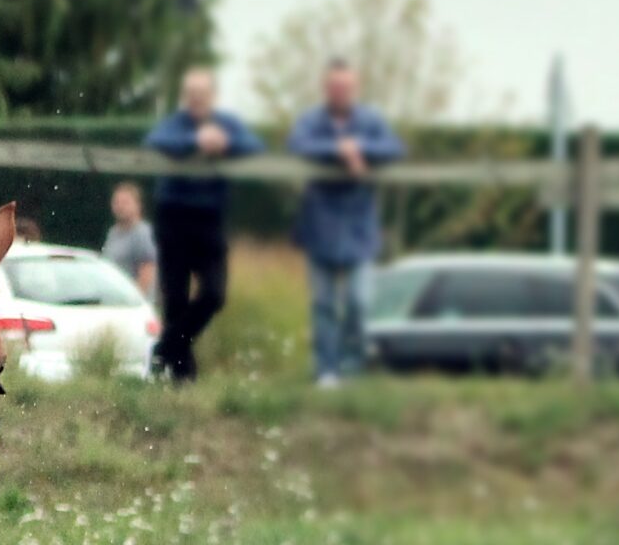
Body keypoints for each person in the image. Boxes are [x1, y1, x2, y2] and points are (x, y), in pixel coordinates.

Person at [141, 67, 264, 384]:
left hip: (210, 220)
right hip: (174, 217)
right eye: (191, 95)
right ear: (186, 97)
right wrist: (195, 140)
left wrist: (225, 143)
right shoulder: (175, 125)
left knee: (214, 293)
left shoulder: (227, 124)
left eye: (202, 95)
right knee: (175, 300)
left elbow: (254, 146)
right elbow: (156, 140)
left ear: (212, 97)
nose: (197, 100)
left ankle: (165, 348)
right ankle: (183, 380)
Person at [286, 59, 404, 386]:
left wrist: (360, 147)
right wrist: (339, 149)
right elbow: (298, 144)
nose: (340, 92)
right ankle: (326, 372)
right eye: (334, 86)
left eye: (346, 86)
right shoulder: (311, 120)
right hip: (319, 224)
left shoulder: (371, 120)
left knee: (359, 301)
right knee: (323, 304)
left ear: (356, 88)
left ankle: (350, 368)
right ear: (326, 88)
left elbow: (394, 147)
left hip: (359, 227)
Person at [101, 182, 157, 298]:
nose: (120, 206)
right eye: (116, 202)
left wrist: (133, 300)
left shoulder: (143, 233)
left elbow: (148, 269)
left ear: (138, 205)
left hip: (133, 304)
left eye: (125, 202)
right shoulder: (113, 233)